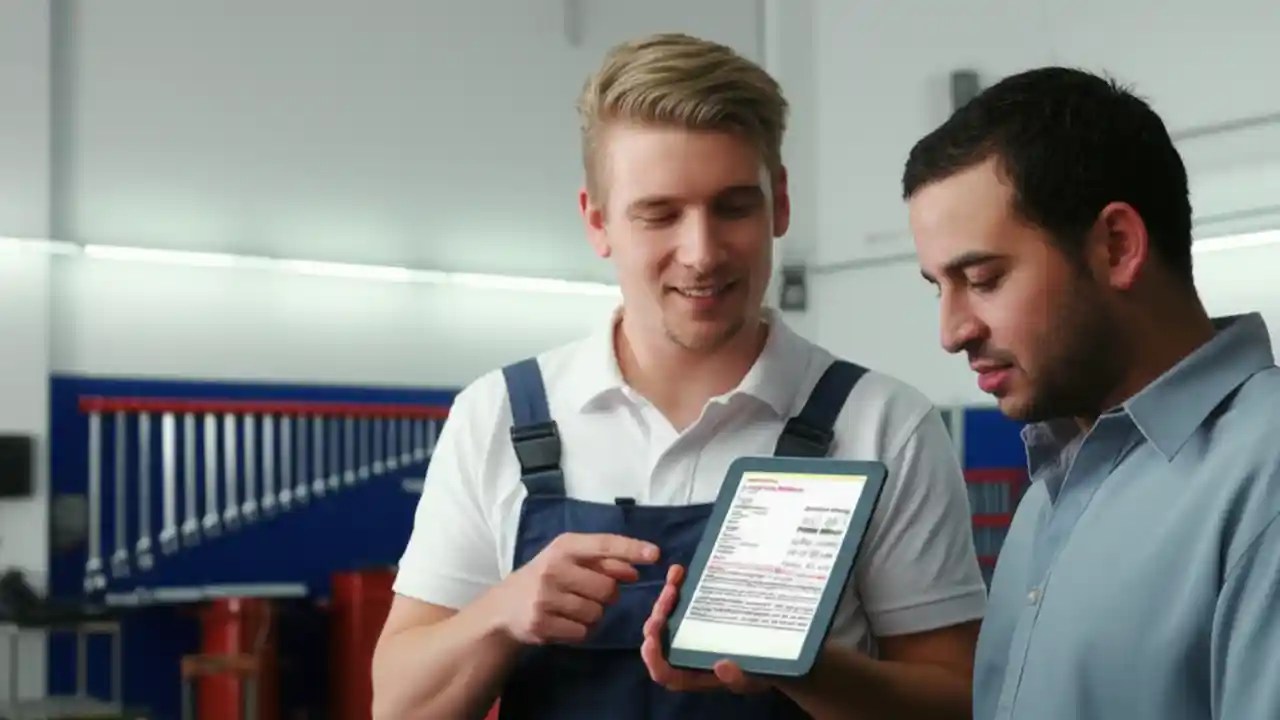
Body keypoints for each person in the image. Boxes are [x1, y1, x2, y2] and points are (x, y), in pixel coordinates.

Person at [372, 32, 987, 720]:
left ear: (779, 203)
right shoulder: (498, 418)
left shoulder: (881, 424)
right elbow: (399, 707)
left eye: (733, 207)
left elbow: (956, 702)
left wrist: (798, 667)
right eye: (659, 214)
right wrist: (500, 613)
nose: (701, 253)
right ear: (598, 222)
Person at [901, 66, 1280, 720]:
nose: (952, 331)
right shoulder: (1053, 489)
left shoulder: (1262, 474)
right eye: (940, 287)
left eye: (984, 278)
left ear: (1117, 246)